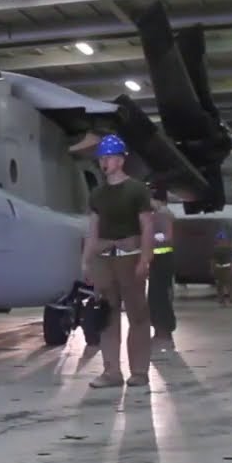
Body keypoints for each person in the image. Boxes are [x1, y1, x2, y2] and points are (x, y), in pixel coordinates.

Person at [82, 134, 154, 389]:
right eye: (102, 158)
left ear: (121, 160)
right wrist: (86, 261)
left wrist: (145, 258)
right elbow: (93, 228)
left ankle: (140, 372)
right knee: (107, 316)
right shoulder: (97, 194)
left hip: (130, 258)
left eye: (110, 157)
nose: (105, 162)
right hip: (104, 260)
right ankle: (112, 372)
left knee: (138, 316)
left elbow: (147, 225)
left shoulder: (137, 190)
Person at [146, 189, 177, 348]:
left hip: (161, 259)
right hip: (159, 259)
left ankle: (163, 333)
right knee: (157, 295)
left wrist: (148, 239)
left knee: (159, 296)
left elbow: (167, 236)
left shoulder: (162, 213)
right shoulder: (161, 213)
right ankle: (160, 332)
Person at [211, 228, 232, 305]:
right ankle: (231, 298)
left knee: (220, 285)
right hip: (227, 268)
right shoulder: (229, 248)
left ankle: (222, 300)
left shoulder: (216, 249)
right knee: (229, 284)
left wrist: (212, 269)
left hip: (219, 269)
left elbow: (213, 261)